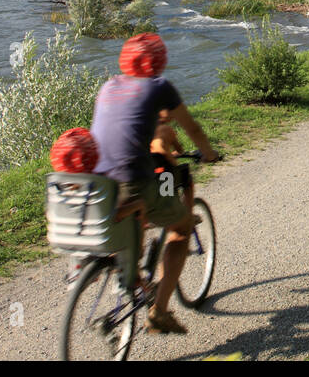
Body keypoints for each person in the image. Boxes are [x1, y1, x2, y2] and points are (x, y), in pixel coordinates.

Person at [89, 32, 219, 334]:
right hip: (135, 182)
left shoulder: (108, 85)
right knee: (181, 228)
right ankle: (159, 312)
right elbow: (194, 129)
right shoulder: (160, 87)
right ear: (159, 61)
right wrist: (209, 154)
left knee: (138, 220)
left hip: (97, 184)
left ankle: (132, 272)